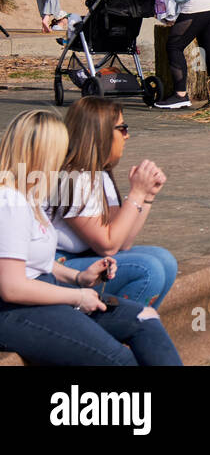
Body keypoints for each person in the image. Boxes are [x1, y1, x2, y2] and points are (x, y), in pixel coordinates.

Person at [0, 109, 182, 366]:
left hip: (42, 295)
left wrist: (78, 278)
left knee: (145, 318)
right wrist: (75, 296)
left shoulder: (29, 196)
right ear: (43, 154)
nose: (63, 161)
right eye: (60, 151)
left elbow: (29, 260)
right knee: (119, 360)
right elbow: (12, 287)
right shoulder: (10, 202)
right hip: (14, 312)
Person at [48, 97, 177, 307]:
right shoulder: (71, 179)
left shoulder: (100, 174)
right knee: (147, 269)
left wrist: (146, 197)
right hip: (57, 267)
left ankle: (132, 329)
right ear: (101, 133)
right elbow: (107, 247)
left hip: (83, 258)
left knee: (165, 261)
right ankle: (107, 333)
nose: (127, 135)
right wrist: (135, 194)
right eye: (122, 128)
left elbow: (122, 242)